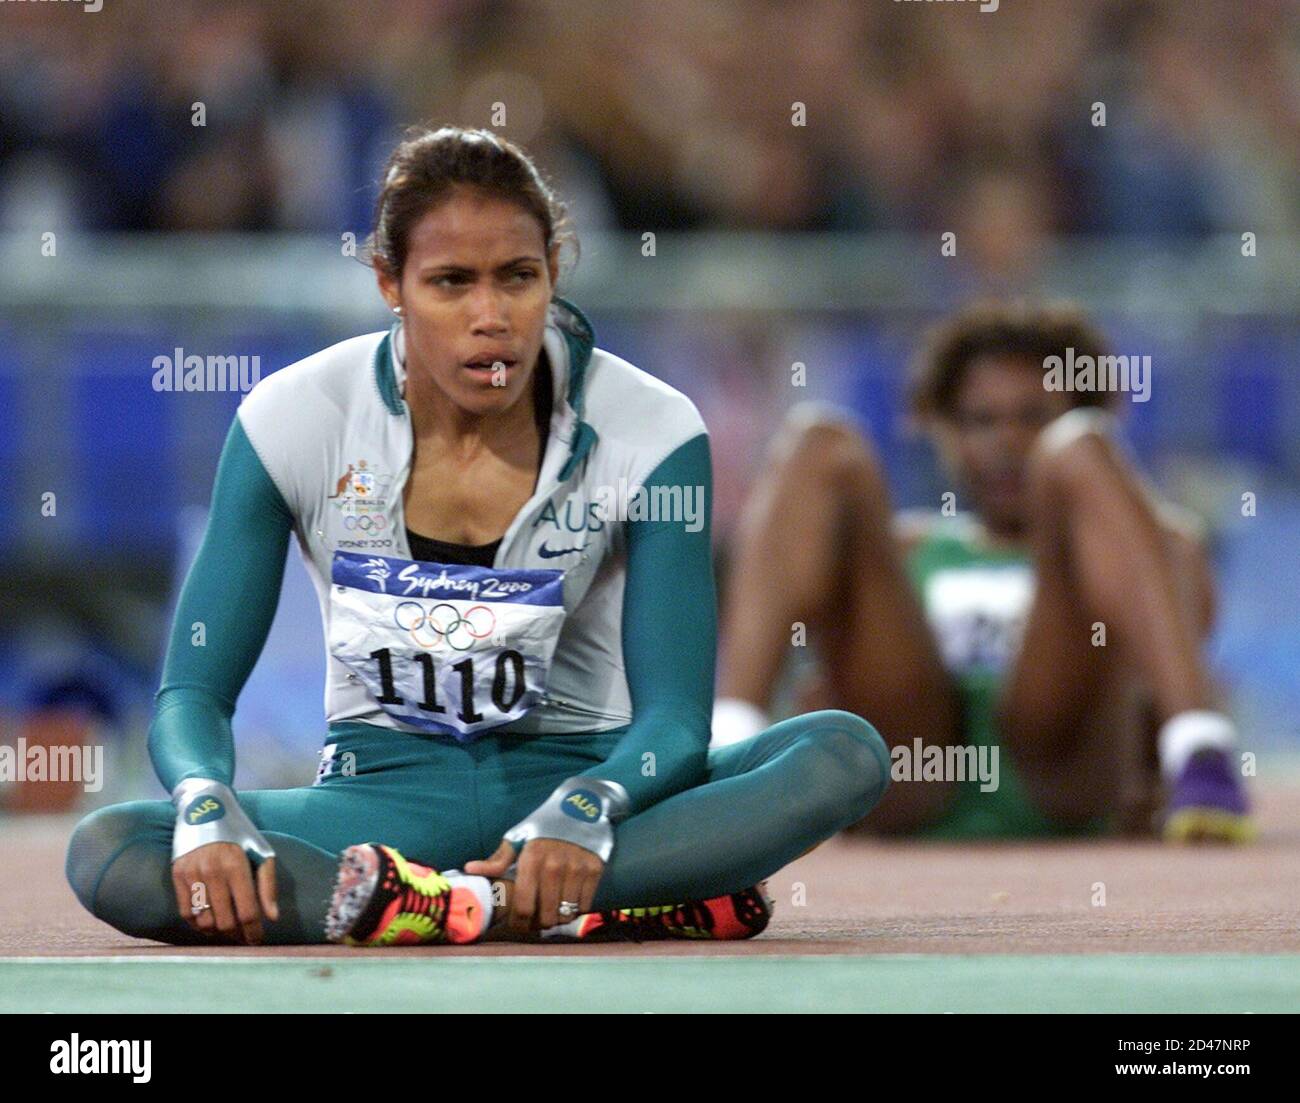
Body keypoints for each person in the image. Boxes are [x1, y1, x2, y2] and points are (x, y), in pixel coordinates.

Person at [65, 126, 890, 947]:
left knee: (844, 753)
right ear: (391, 283)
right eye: (451, 283)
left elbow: (675, 718)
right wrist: (206, 805)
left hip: (584, 790)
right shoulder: (291, 416)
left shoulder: (654, 428)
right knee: (113, 850)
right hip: (379, 799)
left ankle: (431, 906)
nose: (491, 318)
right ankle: (597, 897)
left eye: (518, 278)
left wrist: (590, 805)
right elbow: (193, 695)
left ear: (555, 273)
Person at [713, 302, 1251, 843]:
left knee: (1078, 449)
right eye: (981, 421)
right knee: (820, 440)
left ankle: (1202, 751)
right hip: (910, 771)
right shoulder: (902, 548)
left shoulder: (1164, 546)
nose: (1008, 443)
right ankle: (727, 750)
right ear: (942, 430)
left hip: (1064, 771)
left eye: (1034, 418)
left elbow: (1172, 662)